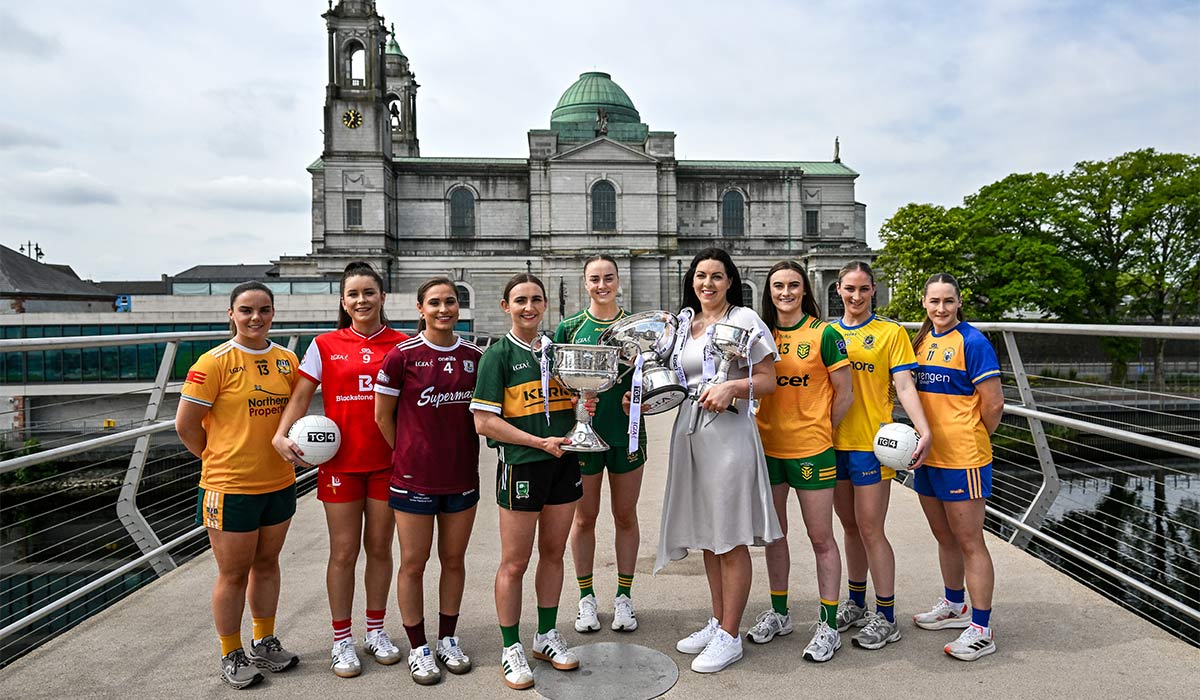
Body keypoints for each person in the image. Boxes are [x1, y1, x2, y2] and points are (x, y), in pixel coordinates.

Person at [271, 263, 407, 678]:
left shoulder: (403, 344)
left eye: (369, 292)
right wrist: (280, 435)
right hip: (340, 466)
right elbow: (300, 396)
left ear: (383, 297)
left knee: (381, 549)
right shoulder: (325, 344)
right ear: (343, 301)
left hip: (388, 462)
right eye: (353, 294)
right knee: (344, 552)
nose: (361, 300)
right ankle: (342, 639)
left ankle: (376, 631)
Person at [659, 247, 782, 674]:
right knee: (709, 533)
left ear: (730, 281)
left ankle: (731, 635)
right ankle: (718, 622)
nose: (706, 283)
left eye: (716, 276)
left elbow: (769, 380)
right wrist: (638, 396)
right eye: (700, 276)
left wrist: (731, 389)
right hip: (689, 431)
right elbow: (674, 378)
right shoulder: (682, 324)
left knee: (729, 534)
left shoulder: (745, 321)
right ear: (691, 281)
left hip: (729, 433)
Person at [176, 281, 302, 689]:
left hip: (279, 481)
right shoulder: (213, 362)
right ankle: (231, 652)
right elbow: (186, 425)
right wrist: (215, 460)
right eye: (246, 310)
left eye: (263, 310)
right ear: (231, 314)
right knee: (233, 573)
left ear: (273, 314)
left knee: (267, 564)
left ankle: (264, 641)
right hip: (229, 487)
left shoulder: (287, 360)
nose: (255, 318)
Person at [469, 273, 585, 691]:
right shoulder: (497, 355)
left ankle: (546, 636)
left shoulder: (559, 352)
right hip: (522, 463)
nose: (529, 307)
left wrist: (583, 403)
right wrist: (538, 441)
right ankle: (510, 646)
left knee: (553, 554)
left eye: (536, 299)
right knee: (515, 561)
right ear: (506, 306)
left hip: (564, 460)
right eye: (520, 300)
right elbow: (485, 421)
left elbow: (575, 398)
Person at [374, 277, 483, 685]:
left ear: (458, 307)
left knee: (454, 561)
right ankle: (418, 646)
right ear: (420, 308)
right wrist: (406, 453)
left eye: (450, 302)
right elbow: (383, 417)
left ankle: (448, 639)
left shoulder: (475, 356)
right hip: (413, 479)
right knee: (414, 563)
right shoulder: (401, 356)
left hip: (461, 477)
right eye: (434, 303)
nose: (443, 309)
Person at [747, 261, 853, 663]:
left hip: (812, 450)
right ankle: (779, 613)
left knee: (821, 538)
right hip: (768, 448)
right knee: (774, 535)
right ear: (769, 291)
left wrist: (821, 429)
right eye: (778, 286)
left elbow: (845, 394)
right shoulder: (760, 334)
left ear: (805, 290)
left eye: (793, 285)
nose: (785, 292)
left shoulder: (824, 334)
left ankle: (827, 623)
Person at [831, 261, 932, 650]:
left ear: (874, 290)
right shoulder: (828, 332)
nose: (856, 297)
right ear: (838, 289)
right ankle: (856, 603)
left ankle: (886, 616)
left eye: (864, 289)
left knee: (872, 528)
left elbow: (904, 385)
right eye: (849, 289)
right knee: (850, 527)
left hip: (874, 446)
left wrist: (924, 429)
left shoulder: (890, 333)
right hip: (834, 443)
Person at [911, 272, 1004, 661]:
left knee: (970, 541)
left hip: (963, 457)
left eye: (948, 301)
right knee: (944, 536)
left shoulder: (973, 341)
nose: (941, 309)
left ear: (959, 302)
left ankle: (981, 628)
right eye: (935, 301)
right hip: (927, 456)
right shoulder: (920, 340)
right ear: (924, 303)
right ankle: (955, 605)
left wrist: (969, 434)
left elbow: (993, 404)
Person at [554, 255, 646, 635]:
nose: (602, 285)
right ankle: (586, 598)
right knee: (585, 517)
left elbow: (651, 379)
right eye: (595, 279)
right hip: (584, 436)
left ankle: (624, 597)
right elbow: (556, 386)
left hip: (626, 433)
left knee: (625, 515)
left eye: (608, 278)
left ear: (618, 280)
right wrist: (576, 402)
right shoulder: (571, 327)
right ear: (585, 283)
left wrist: (637, 400)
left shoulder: (636, 328)